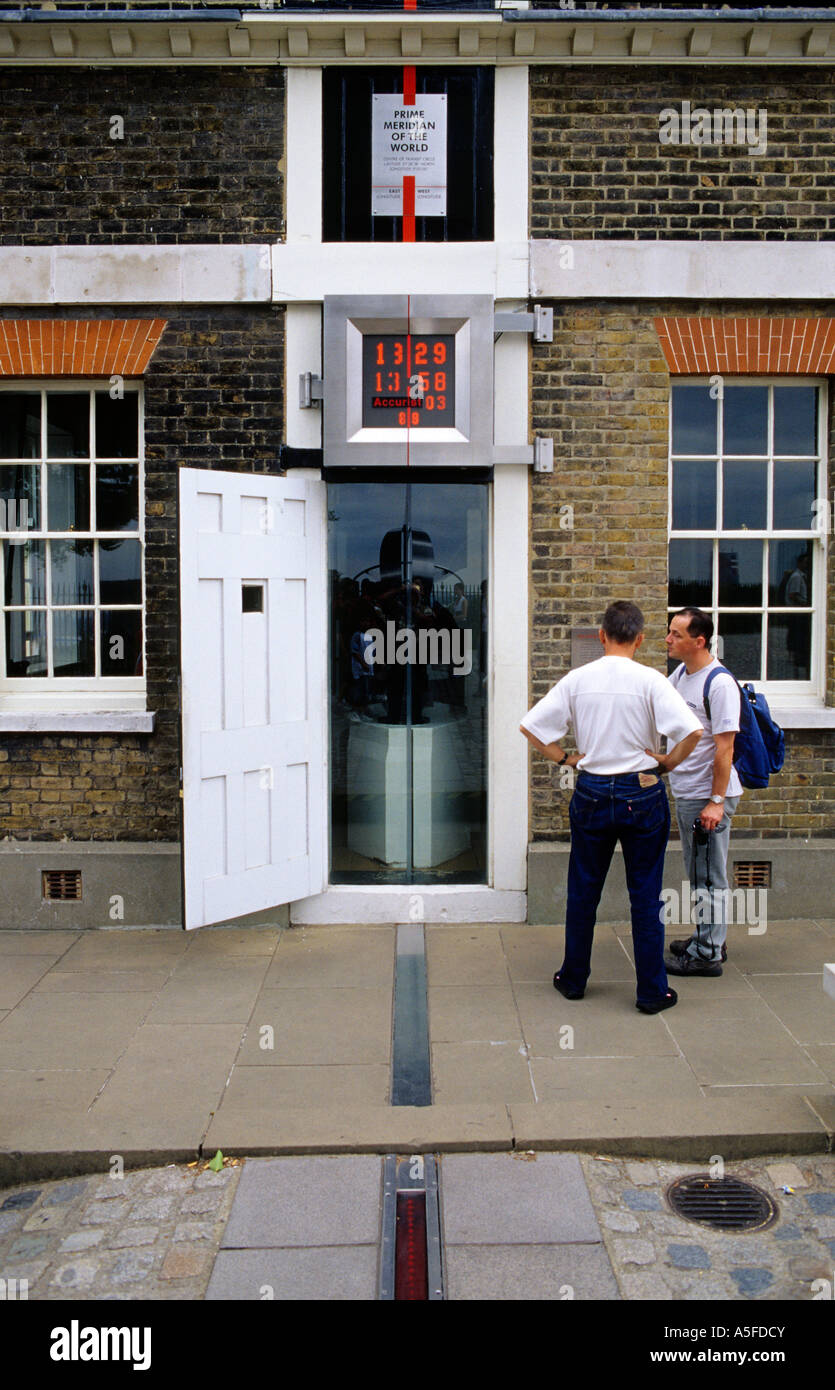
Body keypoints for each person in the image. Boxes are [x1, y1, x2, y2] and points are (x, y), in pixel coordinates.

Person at [520, 601, 702, 1014]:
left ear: (602, 636)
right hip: (642, 791)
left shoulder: (578, 679)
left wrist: (565, 758)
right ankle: (652, 992)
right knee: (646, 895)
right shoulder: (652, 680)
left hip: (593, 792)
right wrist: (669, 763)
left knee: (583, 889)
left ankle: (573, 980)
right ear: (639, 638)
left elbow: (530, 727)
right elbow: (693, 731)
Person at [664, 607, 742, 977]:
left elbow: (725, 750)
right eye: (669, 632)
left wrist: (716, 801)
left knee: (709, 877)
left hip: (707, 797)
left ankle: (708, 954)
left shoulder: (720, 684)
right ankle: (707, 936)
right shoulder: (681, 674)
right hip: (688, 791)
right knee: (699, 873)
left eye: (677, 634)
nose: (668, 639)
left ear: (699, 641)